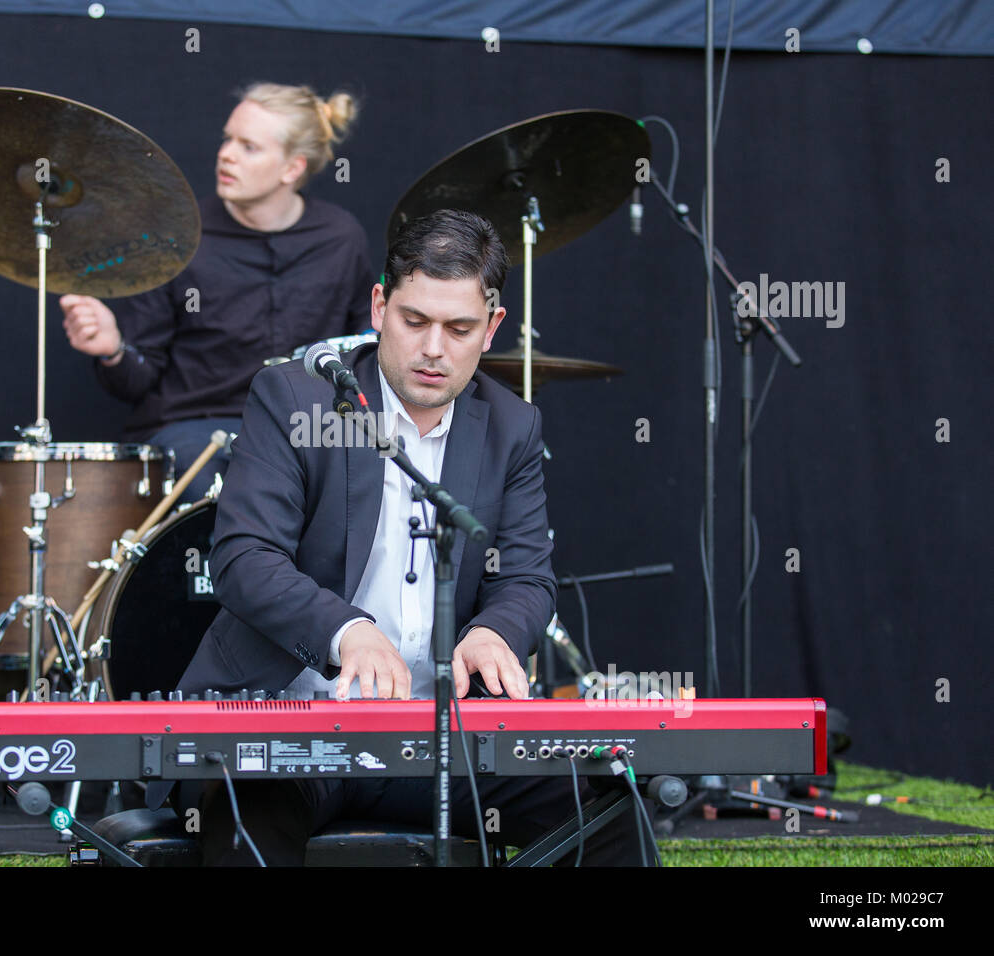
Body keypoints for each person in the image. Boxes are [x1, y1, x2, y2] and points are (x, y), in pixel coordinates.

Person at [159, 208, 645, 865]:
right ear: (379, 306)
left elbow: (526, 578)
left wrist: (494, 632)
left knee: (606, 810)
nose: (433, 349)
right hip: (288, 728)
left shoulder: (513, 426)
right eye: (414, 321)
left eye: (459, 328)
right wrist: (346, 631)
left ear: (492, 327)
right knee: (248, 821)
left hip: (437, 737)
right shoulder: (296, 399)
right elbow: (244, 558)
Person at [61, 82, 374, 500]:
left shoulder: (340, 237)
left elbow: (364, 348)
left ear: (292, 168)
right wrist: (114, 349)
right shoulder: (178, 238)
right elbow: (137, 381)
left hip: (303, 425)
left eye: (249, 146)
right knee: (213, 480)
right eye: (228, 139)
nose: (226, 154)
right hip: (197, 428)